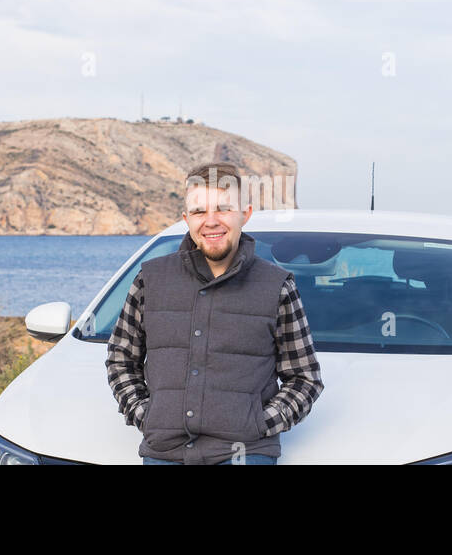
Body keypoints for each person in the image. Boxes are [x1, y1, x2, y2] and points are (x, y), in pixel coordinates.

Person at [105, 162, 324, 465]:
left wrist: (259, 425)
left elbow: (305, 378)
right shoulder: (149, 279)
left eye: (223, 209)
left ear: (244, 214)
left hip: (245, 454)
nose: (211, 222)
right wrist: (145, 414)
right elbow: (120, 358)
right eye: (199, 212)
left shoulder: (277, 287)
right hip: (164, 453)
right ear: (186, 219)